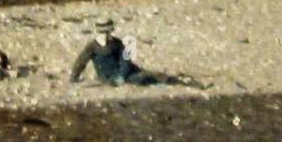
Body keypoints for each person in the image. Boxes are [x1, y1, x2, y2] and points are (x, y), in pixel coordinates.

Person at [70, 18, 202, 87]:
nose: (107, 34)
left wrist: (121, 76)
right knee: (143, 78)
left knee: (149, 75)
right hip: (109, 78)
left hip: (123, 74)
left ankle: (178, 80)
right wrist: (73, 78)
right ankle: (175, 80)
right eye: (105, 31)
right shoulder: (92, 46)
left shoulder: (118, 42)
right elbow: (80, 62)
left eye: (109, 31)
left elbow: (126, 61)